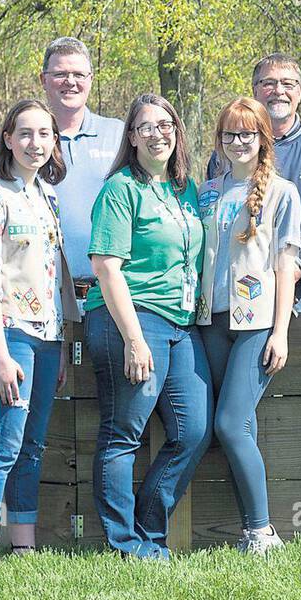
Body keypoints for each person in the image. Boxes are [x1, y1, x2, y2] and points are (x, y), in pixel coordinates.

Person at [84, 93, 214, 560]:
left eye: (166, 125)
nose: (157, 133)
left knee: (195, 430)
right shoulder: (121, 189)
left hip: (181, 324)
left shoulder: (186, 190)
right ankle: (125, 544)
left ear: (177, 133)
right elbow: (106, 266)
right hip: (130, 320)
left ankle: (148, 533)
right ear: (132, 138)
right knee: (124, 432)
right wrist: (134, 339)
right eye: (146, 127)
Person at [0, 100, 79, 560]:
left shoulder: (46, 198)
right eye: (25, 134)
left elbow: (53, 276)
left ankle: (24, 542)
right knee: (4, 440)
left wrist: (62, 340)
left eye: (45, 135)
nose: (36, 143)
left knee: (32, 444)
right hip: (7, 334)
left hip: (46, 337)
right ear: (7, 139)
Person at [197, 97, 301, 555]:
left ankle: (263, 532)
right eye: (229, 135)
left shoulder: (283, 192)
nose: (238, 143)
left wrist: (280, 331)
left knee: (229, 422)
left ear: (264, 138)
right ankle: (249, 528)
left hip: (256, 322)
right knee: (240, 425)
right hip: (209, 319)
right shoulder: (206, 191)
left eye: (247, 134)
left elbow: (286, 265)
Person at [0, 36, 124, 307]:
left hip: (107, 296)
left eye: (79, 74)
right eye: (60, 74)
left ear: (91, 79)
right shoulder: (16, 145)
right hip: (35, 299)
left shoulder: (119, 135)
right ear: (43, 79)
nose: (70, 81)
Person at [207, 53, 301, 311]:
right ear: (254, 91)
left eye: (288, 84)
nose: (278, 91)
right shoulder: (228, 151)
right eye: (268, 83)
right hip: (242, 291)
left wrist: (298, 266)